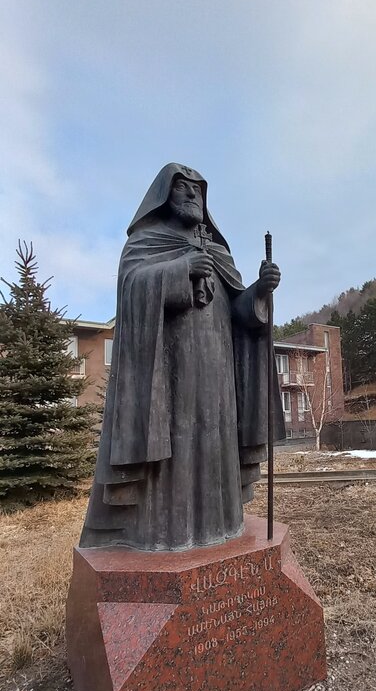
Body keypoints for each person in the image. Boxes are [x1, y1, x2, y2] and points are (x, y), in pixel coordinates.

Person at [80, 163, 284, 551]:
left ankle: (220, 525)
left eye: (198, 190)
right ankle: (165, 536)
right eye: (182, 188)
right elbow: (132, 290)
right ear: (163, 196)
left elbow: (240, 314)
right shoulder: (146, 243)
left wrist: (259, 289)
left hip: (219, 377)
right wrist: (180, 270)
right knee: (173, 450)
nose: (192, 195)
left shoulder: (219, 250)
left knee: (215, 440)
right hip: (167, 381)